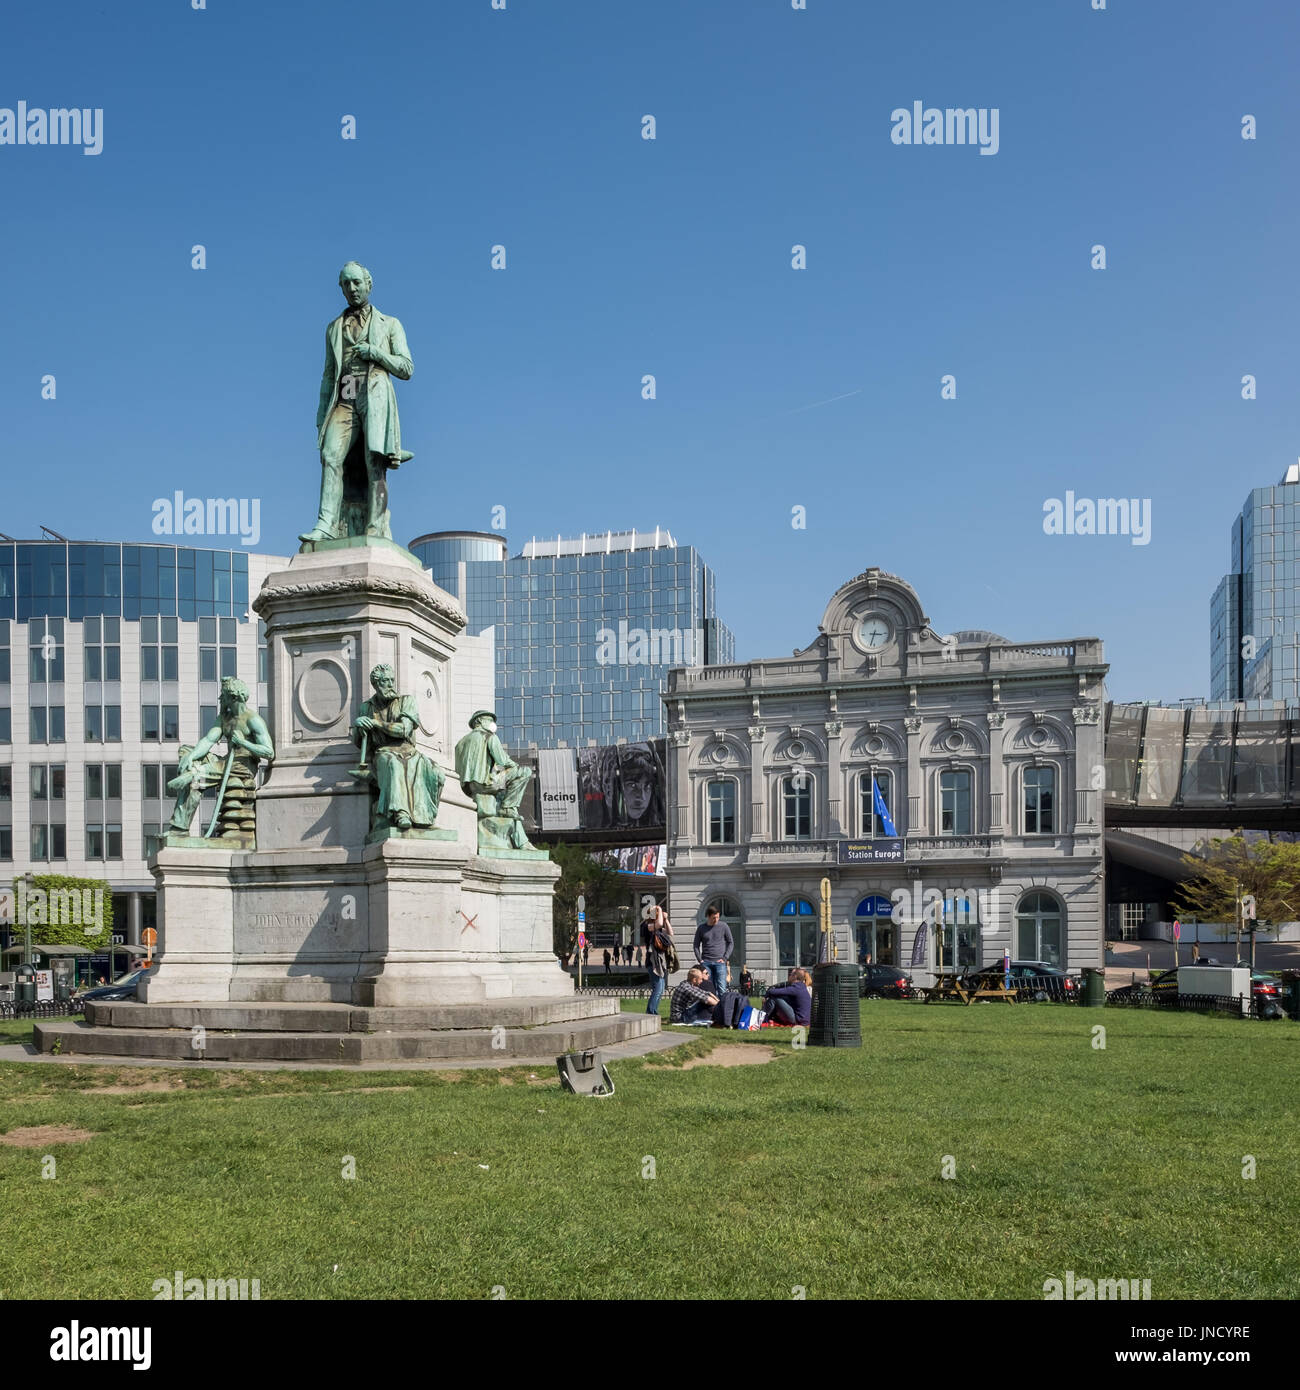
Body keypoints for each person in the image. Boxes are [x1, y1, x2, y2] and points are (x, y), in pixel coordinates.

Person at [301, 261, 414, 545]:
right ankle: (325, 524)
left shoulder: (390, 324)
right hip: (345, 397)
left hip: (374, 395)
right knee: (330, 455)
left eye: (356, 283)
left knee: (373, 462)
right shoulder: (333, 328)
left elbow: (406, 368)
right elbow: (328, 375)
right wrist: (320, 420)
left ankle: (375, 529)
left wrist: (375, 353)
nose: (351, 289)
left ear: (368, 284)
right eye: (345, 284)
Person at [352, 664, 444, 831]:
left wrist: (376, 723)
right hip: (384, 752)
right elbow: (359, 742)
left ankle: (427, 816)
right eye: (385, 681)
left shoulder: (406, 701)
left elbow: (404, 729)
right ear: (375, 684)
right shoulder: (366, 707)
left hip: (410, 751)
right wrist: (359, 726)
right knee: (394, 765)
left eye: (391, 680)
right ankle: (400, 813)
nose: (390, 684)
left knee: (437, 773)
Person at [693, 905, 734, 999]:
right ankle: (710, 1011)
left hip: (720, 962)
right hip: (706, 962)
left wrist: (725, 958)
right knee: (708, 989)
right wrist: (700, 960)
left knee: (722, 989)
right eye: (714, 918)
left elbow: (731, 942)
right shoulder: (701, 928)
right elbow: (696, 945)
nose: (716, 919)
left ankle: (723, 1011)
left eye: (718, 917)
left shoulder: (723, 926)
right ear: (708, 916)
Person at [642, 905, 676, 1015]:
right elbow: (659, 924)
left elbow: (671, 933)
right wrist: (660, 909)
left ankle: (653, 1010)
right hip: (653, 962)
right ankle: (651, 1012)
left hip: (660, 962)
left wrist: (666, 919)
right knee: (657, 988)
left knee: (661, 989)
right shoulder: (647, 926)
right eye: (656, 913)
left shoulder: (658, 929)